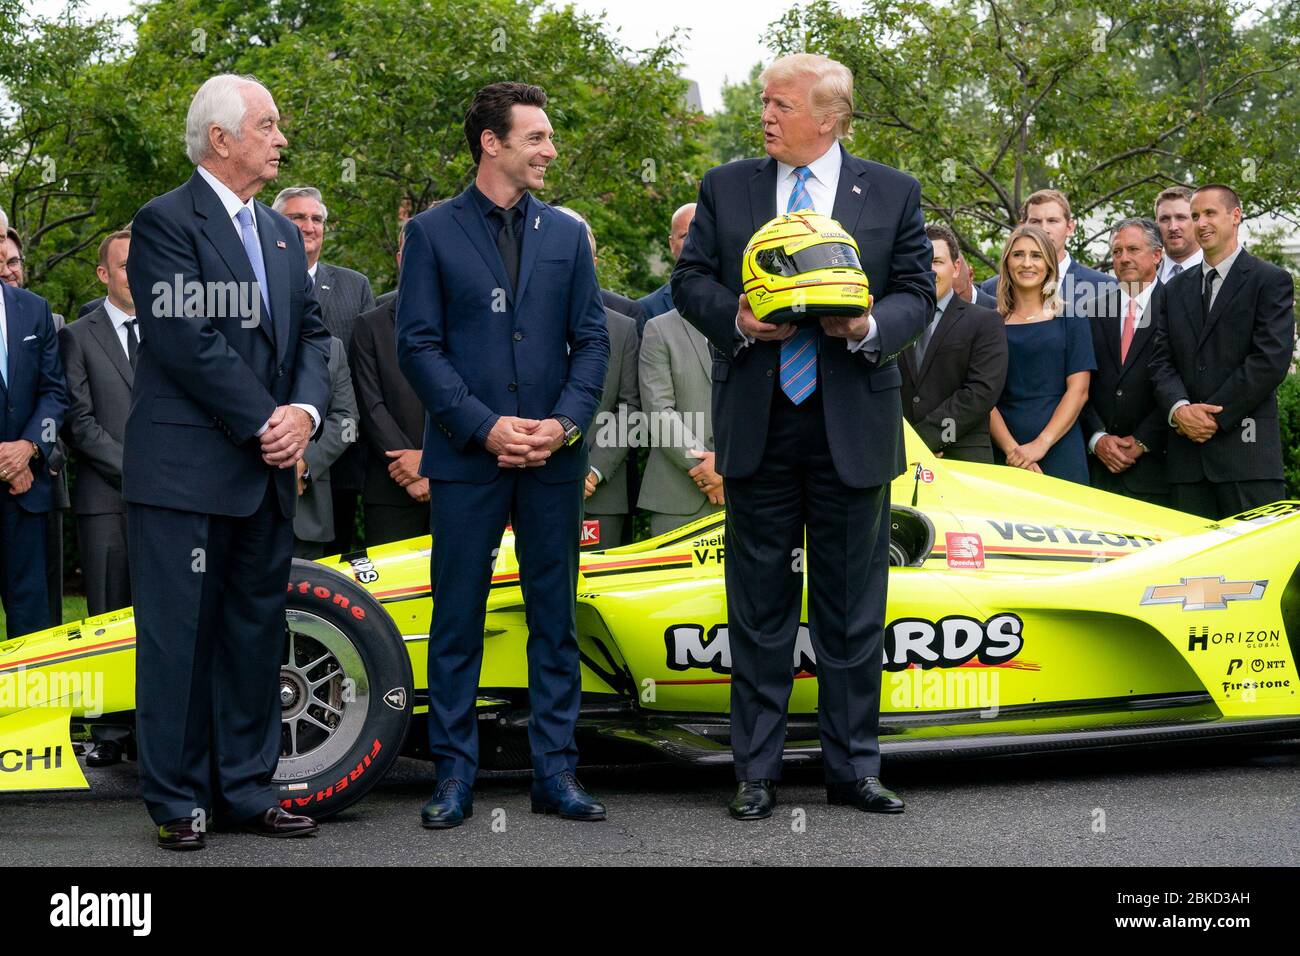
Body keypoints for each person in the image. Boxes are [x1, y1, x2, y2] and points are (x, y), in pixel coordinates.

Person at [672, 53, 932, 820]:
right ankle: (755, 771)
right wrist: (737, 320)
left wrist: (870, 326)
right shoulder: (727, 186)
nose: (766, 116)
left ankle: (854, 770)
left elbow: (917, 292)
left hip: (851, 424)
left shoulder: (892, 191)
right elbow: (690, 281)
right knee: (758, 609)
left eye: (780, 104)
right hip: (760, 424)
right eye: (764, 103)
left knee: (854, 610)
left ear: (831, 116)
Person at [124, 73, 331, 850]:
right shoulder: (164, 222)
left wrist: (304, 414)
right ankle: (176, 800)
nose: (282, 139)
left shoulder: (281, 234)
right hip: (185, 477)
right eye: (269, 126)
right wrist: (264, 420)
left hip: (266, 473)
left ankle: (246, 788)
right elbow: (185, 340)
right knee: (179, 642)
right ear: (221, 139)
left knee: (253, 636)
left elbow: (313, 333)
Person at [396, 82, 609, 829]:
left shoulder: (564, 233)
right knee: (458, 618)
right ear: (492, 143)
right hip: (465, 459)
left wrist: (565, 426)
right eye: (538, 138)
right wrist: (484, 427)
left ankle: (556, 773)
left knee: (555, 619)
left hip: (551, 460)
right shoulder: (431, 232)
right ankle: (454, 776)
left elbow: (593, 340)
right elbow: (416, 345)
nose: (551, 150)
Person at [1149, 184, 1295, 519]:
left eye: (1210, 213)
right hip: (1187, 465)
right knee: (1191, 571)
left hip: (1246, 459)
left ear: (1235, 216)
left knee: (1256, 567)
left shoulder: (1269, 280)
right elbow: (1161, 361)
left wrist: (1213, 417)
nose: (1200, 223)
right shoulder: (1173, 290)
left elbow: (1269, 361)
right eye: (1196, 215)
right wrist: (1180, 410)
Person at [59, 228, 139, 765]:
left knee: (159, 612)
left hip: (169, 503)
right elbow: (78, 424)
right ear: (103, 275)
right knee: (109, 614)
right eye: (127, 265)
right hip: (106, 500)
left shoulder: (172, 331)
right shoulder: (79, 336)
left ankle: (152, 725)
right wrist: (139, 471)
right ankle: (109, 734)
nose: (139, 273)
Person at [273, 186, 374, 554]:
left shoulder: (355, 285)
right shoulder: (254, 285)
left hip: (340, 458)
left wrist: (314, 456)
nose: (309, 226)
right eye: (297, 217)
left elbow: (364, 374)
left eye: (316, 219)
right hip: (270, 452)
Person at [552, 208, 641, 550]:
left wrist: (593, 470)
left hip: (600, 495)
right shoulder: (505, 323)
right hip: (522, 487)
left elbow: (631, 408)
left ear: (594, 262)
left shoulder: (623, 327)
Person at [989, 225, 1096, 483]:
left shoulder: (1072, 317)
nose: (1027, 263)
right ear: (1007, 263)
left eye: (1036, 255)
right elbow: (983, 395)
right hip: (1004, 449)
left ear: (1049, 264)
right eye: (1018, 255)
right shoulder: (988, 323)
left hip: (1060, 445)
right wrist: (1012, 450)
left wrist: (1041, 444)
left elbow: (1079, 391)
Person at [1, 227, 69, 628]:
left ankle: (29, 694)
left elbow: (55, 393)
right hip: (15, 475)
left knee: (32, 621)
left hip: (26, 493)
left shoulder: (34, 309)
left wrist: (28, 446)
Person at [1082, 218, 1171, 506]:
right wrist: (1097, 438)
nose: (1124, 258)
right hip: (1097, 472)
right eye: (1117, 252)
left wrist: (1143, 440)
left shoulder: (1178, 306)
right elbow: (1079, 382)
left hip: (1158, 469)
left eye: (1133, 249)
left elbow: (1186, 380)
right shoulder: (1092, 310)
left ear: (1157, 255)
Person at [901, 223, 1007, 462]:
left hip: (961, 458)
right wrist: (903, 445)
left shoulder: (985, 322)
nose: (928, 270)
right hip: (898, 457)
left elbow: (980, 393)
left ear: (956, 267)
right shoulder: (893, 321)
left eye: (937, 262)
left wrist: (923, 441)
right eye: (921, 261)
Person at [352, 222, 430, 547]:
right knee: (389, 597)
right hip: (391, 488)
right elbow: (371, 407)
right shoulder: (370, 325)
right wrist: (408, 465)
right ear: (401, 258)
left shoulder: (476, 320)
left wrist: (431, 463)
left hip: (460, 484)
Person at [637, 307, 721, 533]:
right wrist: (708, 470)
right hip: (677, 498)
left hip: (746, 493)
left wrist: (728, 466)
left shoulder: (758, 325)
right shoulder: (659, 328)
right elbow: (658, 410)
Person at [978, 189, 1111, 313]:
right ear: (1022, 226)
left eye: (1053, 221)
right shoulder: (991, 289)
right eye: (1035, 221)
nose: (1044, 229)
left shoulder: (1103, 287)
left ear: (1070, 227)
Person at [292, 335, 359, 558]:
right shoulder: (238, 337)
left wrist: (304, 462)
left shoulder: (333, 347)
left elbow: (346, 420)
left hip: (307, 513)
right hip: (239, 507)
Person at [635, 203, 696, 331]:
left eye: (699, 233)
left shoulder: (736, 299)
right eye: (685, 236)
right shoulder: (647, 309)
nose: (692, 242)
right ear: (672, 244)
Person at [1154, 185, 1202, 285]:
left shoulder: (1219, 274)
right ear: (1156, 225)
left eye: (1181, 217)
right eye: (1165, 219)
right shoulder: (1145, 279)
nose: (1173, 227)